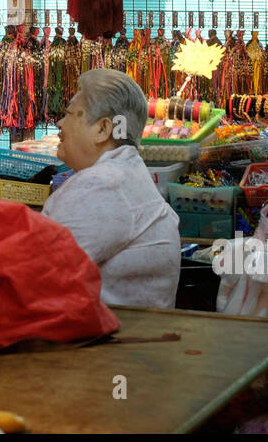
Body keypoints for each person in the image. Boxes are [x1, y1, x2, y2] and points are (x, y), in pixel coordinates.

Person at [43, 68, 180, 309]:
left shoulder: (103, 185)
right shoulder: (124, 176)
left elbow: (37, 271)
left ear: (103, 129)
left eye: (69, 113)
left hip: (103, 342)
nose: (60, 123)